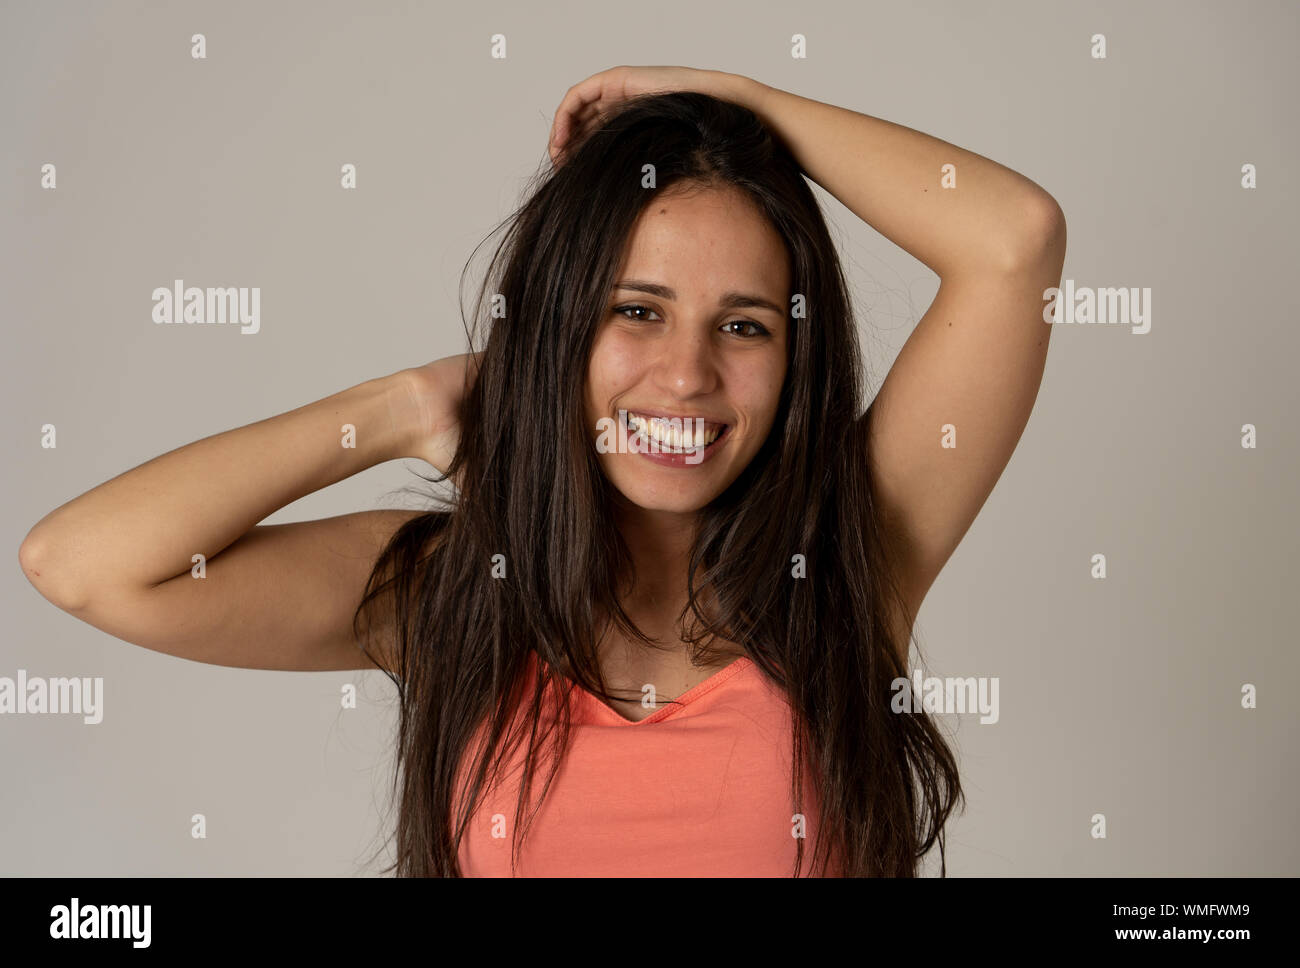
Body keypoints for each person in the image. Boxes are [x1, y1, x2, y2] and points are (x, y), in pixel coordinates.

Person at [19, 66, 1066, 877]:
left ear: (794, 358)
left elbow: (1012, 241)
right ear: (559, 326)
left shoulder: (848, 560)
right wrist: (401, 409)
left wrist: (738, 105)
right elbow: (84, 563)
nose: (686, 375)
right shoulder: (448, 591)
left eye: (742, 325)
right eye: (636, 310)